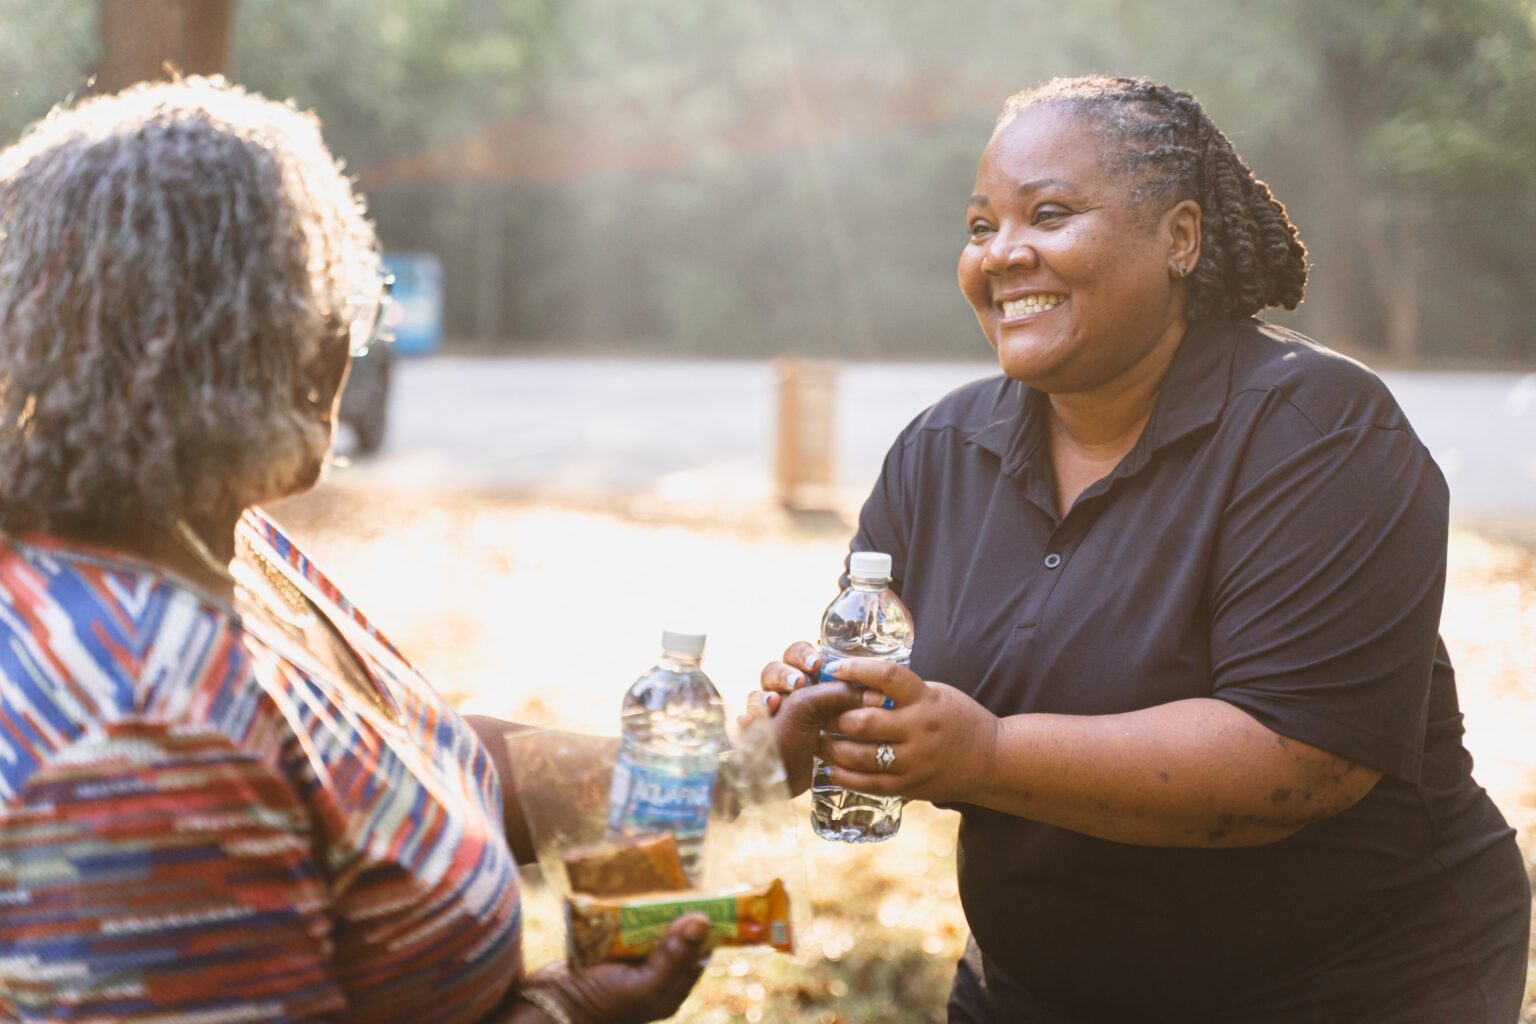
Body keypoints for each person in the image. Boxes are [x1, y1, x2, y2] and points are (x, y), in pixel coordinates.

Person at [759, 76, 1531, 1023]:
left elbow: (1300, 760)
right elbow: (891, 675)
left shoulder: (1316, 430)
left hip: (1348, 980)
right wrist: (826, 721)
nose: (1004, 254)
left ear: (1180, 237)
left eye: (1049, 214)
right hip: (1041, 987)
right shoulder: (940, 453)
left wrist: (987, 754)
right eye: (979, 226)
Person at [0, 78, 716, 1024]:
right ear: (243, 339)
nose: (353, 331)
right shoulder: (142, 738)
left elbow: (425, 760)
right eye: (333, 291)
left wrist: (727, 769)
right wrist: (564, 1011)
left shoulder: (212, 538)